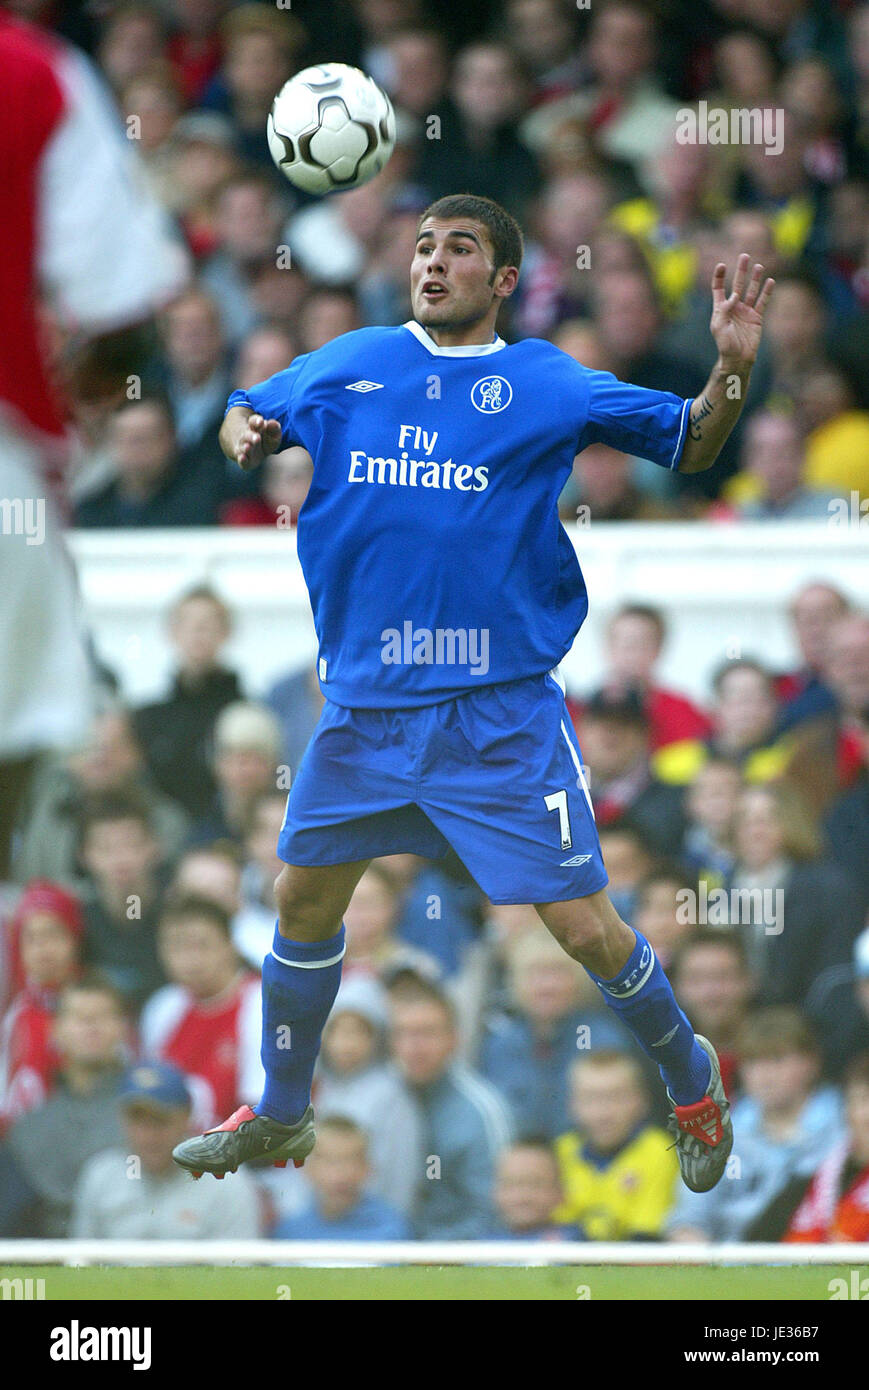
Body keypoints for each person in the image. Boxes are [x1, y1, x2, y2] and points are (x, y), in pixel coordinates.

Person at [173, 191, 777, 1198]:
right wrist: (243, 428)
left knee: (583, 928)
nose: (432, 262)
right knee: (300, 895)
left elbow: (688, 441)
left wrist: (730, 368)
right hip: (366, 709)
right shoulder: (348, 360)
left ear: (502, 281)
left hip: (496, 714)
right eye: (420, 247)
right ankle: (282, 1110)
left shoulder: (543, 382)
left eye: (458, 249)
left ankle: (690, 1081)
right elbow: (251, 404)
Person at [72, 1061, 261, 1238]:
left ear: (187, 1118)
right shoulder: (102, 1176)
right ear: (122, 1119)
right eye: (137, 1121)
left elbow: (237, 1270)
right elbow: (82, 1265)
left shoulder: (225, 1182)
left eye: (161, 1120)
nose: (148, 1135)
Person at [554, 1050, 679, 1240]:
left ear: (641, 1101)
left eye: (616, 1097)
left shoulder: (659, 1151)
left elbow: (645, 1238)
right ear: (572, 1104)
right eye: (590, 1099)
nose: (604, 1113)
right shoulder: (560, 1152)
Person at [271, 1114, 410, 1241]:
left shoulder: (393, 1231)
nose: (339, 1175)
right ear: (307, 1168)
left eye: (350, 1161)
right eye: (329, 1161)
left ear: (368, 1168)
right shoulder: (289, 1233)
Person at [488, 1139, 571, 1241]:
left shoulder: (577, 1245)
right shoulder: (479, 1246)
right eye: (511, 1184)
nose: (522, 1197)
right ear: (495, 1192)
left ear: (561, 1192)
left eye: (535, 1185)